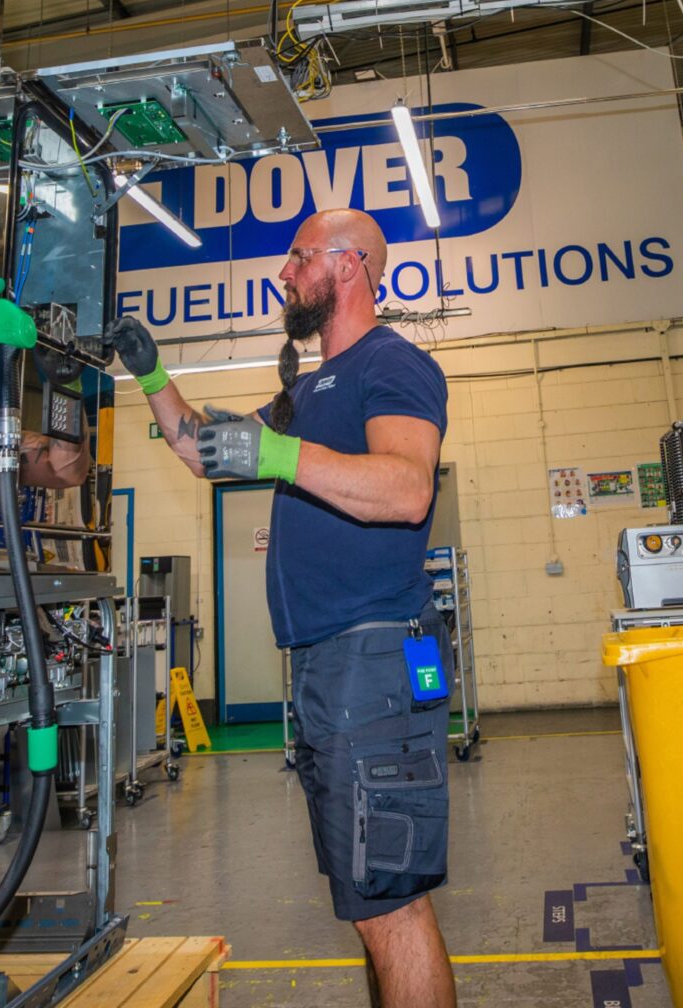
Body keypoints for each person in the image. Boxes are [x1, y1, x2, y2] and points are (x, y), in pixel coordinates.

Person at [106, 208, 455, 1008]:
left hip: (375, 660)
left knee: (390, 904)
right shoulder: (306, 388)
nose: (283, 273)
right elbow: (204, 454)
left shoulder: (390, 363)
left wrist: (278, 453)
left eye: (299, 257)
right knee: (369, 899)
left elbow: (407, 489)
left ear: (349, 265)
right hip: (335, 665)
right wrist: (152, 377)